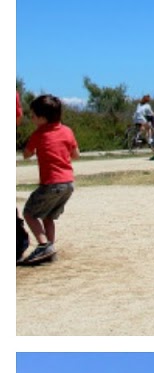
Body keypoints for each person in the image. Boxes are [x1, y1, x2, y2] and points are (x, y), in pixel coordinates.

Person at [19, 93, 79, 265]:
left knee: (29, 213)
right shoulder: (67, 131)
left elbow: (26, 155)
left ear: (42, 118)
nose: (31, 119)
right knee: (48, 217)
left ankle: (43, 245)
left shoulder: (38, 134)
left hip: (51, 184)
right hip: (68, 184)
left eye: (33, 116)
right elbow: (76, 154)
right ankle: (50, 249)